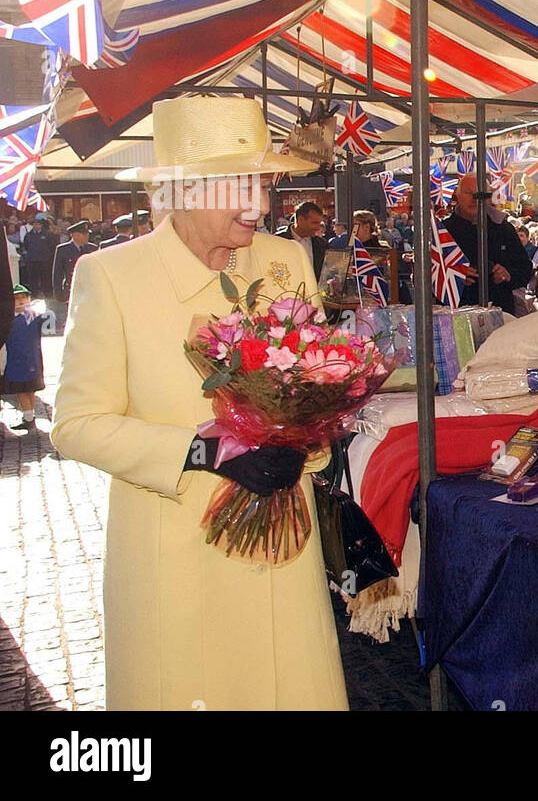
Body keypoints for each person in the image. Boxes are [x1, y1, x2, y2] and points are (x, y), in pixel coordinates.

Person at [50, 96, 346, 710]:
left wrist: (304, 446)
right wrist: (196, 450)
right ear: (183, 189)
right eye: (242, 184)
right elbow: (75, 425)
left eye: (263, 184)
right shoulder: (111, 276)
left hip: (280, 551)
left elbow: (322, 386)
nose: (262, 205)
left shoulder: (287, 260)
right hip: (174, 558)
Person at [440, 174, 534, 310]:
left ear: (488, 198)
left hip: (499, 311)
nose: (474, 198)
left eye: (479, 194)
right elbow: (426, 275)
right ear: (457, 195)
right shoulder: (443, 231)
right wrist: (455, 276)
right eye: (468, 192)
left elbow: (525, 269)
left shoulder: (503, 228)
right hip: (457, 313)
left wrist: (507, 275)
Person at [3, 285, 44, 431]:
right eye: (16, 298)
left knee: (28, 389)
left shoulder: (33, 316)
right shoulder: (7, 320)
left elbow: (46, 319)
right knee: (21, 389)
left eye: (23, 298)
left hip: (31, 359)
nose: (20, 301)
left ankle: (28, 418)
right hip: (16, 360)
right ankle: (28, 417)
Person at [51, 221, 97, 331]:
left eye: (87, 234)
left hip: (90, 288)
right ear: (75, 235)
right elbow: (57, 272)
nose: (87, 237)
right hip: (71, 287)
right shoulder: (63, 249)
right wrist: (58, 292)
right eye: (84, 234)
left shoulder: (92, 248)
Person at [275, 201, 328, 279]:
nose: (318, 227)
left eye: (319, 223)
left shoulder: (322, 244)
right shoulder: (278, 241)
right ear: (300, 220)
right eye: (314, 223)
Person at [20, 216, 57, 298]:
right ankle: (34, 294)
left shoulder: (47, 234)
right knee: (33, 278)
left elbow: (51, 246)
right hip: (32, 260)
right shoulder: (29, 235)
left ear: (41, 225)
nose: (36, 226)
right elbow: (26, 245)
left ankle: (47, 293)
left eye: (38, 224)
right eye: (35, 224)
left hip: (44, 260)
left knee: (45, 277)